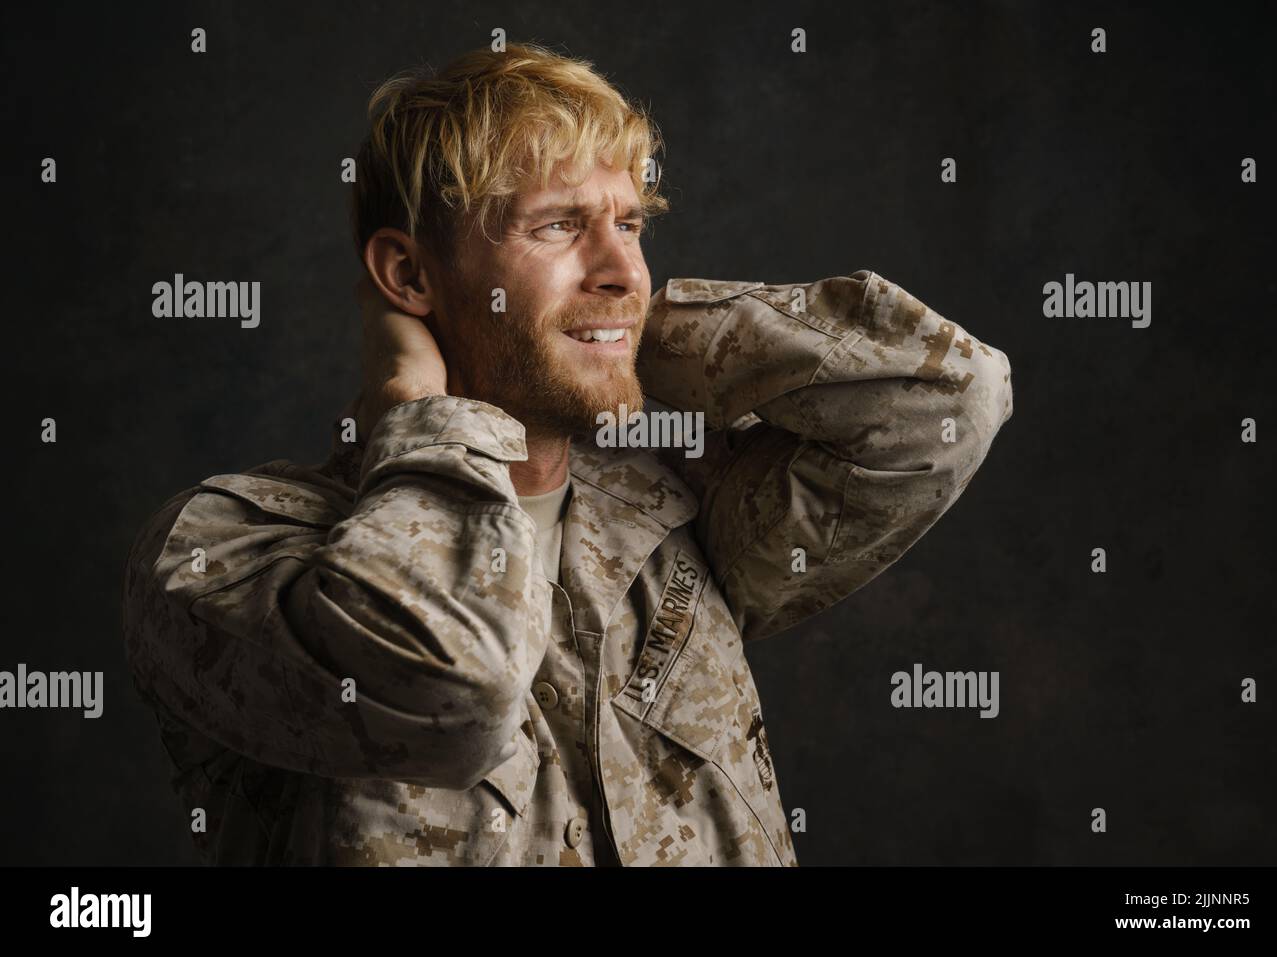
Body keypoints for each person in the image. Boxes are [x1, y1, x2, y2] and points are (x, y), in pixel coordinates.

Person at [120, 41, 1014, 866]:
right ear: (409, 276)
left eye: (629, 223)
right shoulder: (222, 551)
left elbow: (944, 402)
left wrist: (616, 330)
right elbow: (452, 693)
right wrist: (418, 405)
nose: (622, 262)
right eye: (555, 225)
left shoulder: (677, 508)